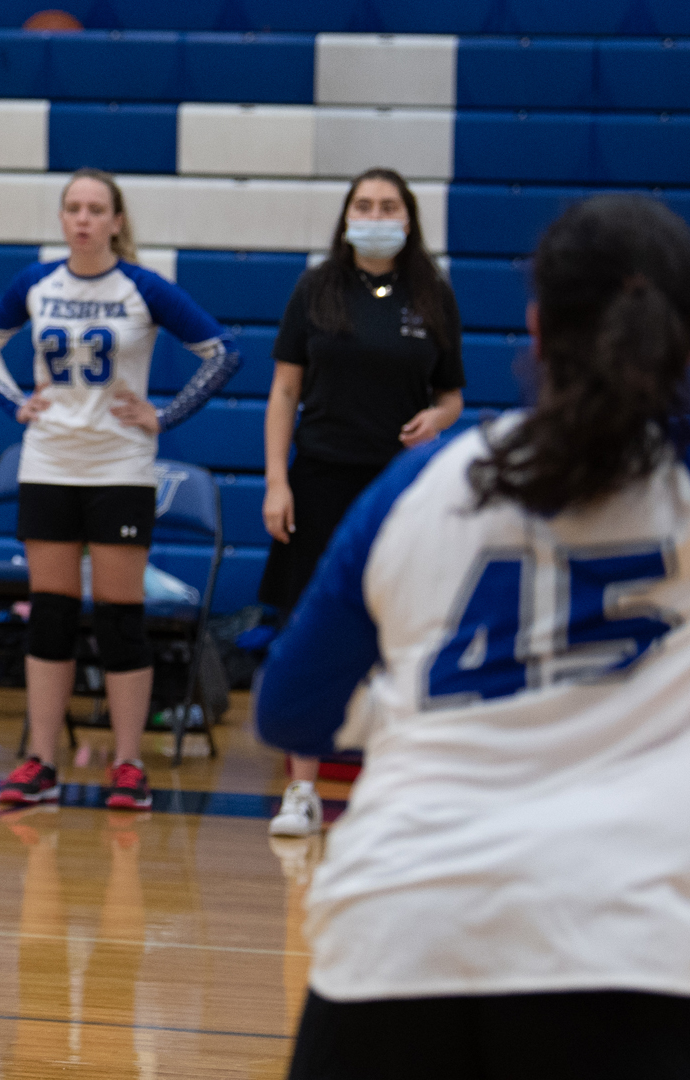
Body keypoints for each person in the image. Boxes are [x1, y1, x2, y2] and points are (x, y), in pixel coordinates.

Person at [258, 193, 690, 1076]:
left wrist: (409, 703)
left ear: (533, 327)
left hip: (400, 929)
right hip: (627, 943)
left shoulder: (421, 485)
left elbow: (291, 711)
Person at [0, 168, 241, 808]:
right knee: (53, 617)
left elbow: (224, 351)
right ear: (62, 219)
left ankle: (127, 765)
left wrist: (164, 415)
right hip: (49, 462)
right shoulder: (36, 283)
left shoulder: (141, 288)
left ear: (117, 221)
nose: (84, 219)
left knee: (120, 619)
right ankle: (39, 761)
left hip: (120, 468)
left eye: (96, 209)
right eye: (73, 208)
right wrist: (15, 402)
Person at [260, 167, 465, 838]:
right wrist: (276, 480)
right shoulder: (315, 291)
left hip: (399, 488)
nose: (375, 213)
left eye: (388, 205)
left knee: (401, 629)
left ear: (407, 219)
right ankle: (302, 790)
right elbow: (284, 392)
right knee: (306, 624)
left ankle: (389, 788)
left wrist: (437, 420)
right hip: (319, 479)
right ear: (347, 215)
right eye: (364, 204)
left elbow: (452, 397)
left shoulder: (433, 295)